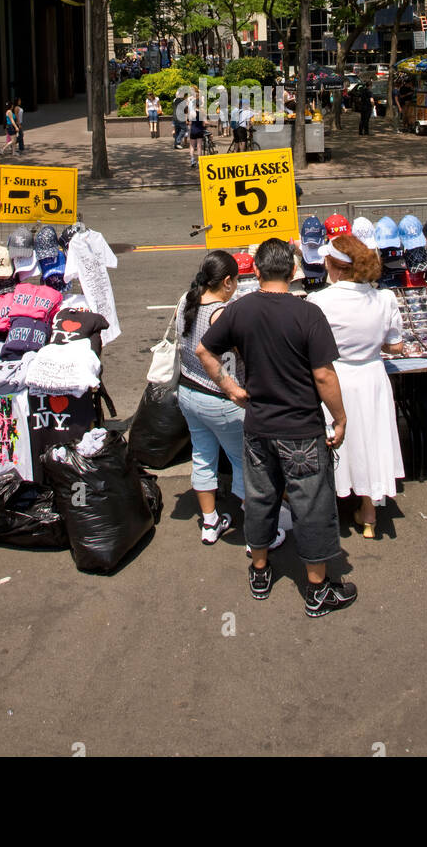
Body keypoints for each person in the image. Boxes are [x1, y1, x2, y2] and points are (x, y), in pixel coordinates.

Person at [196, 238, 357, 618]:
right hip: (301, 428)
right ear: (293, 271)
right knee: (312, 504)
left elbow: (204, 351)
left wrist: (231, 388)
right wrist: (340, 416)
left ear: (255, 270)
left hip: (258, 427)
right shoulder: (308, 313)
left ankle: (260, 570)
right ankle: (317, 589)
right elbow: (323, 374)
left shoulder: (240, 310)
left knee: (261, 498)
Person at [308, 234, 404, 536]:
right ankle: (369, 510)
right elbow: (396, 346)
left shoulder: (319, 301)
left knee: (336, 440)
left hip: (336, 376)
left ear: (335, 267)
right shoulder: (384, 298)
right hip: (372, 376)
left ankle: (333, 502)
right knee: (371, 441)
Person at [176, 251, 271, 546]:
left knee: (203, 457)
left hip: (188, 393)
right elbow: (243, 354)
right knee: (244, 461)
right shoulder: (222, 315)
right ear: (228, 282)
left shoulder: (185, 300)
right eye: (237, 281)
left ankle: (209, 522)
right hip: (221, 400)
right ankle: (254, 528)